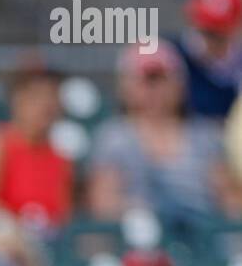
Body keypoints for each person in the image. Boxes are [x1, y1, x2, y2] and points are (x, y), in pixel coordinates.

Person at [86, 42, 241, 226]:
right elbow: (105, 206)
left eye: (162, 79)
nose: (155, 90)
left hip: (201, 239)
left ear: (180, 84)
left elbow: (230, 201)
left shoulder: (205, 136)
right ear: (126, 86)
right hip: (139, 242)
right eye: (147, 80)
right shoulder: (113, 138)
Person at [0, 66, 73, 228]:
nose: (46, 105)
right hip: (4, 235)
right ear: (18, 100)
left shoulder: (61, 156)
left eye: (52, 96)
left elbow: (63, 214)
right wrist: (17, 224)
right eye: (37, 96)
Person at [172, 0, 242, 119]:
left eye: (217, 34)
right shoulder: (172, 56)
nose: (208, 40)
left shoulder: (236, 64)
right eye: (204, 31)